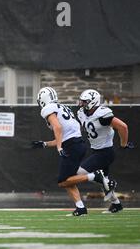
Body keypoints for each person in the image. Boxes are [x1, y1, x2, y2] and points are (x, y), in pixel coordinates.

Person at [31, 87, 115, 217]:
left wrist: (59, 148)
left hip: (71, 146)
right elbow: (64, 135)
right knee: (69, 180)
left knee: (62, 181)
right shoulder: (61, 107)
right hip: (76, 143)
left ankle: (95, 176)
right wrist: (45, 144)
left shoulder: (47, 109)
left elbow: (58, 128)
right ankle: (80, 208)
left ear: (42, 99)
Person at [49, 89, 133, 213]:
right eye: (81, 101)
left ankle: (106, 183)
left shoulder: (103, 114)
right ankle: (116, 204)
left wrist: (123, 144)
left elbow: (123, 126)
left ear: (93, 102)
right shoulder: (82, 113)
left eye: (85, 102)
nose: (82, 104)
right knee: (104, 184)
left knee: (76, 175)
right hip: (97, 151)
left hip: (105, 153)